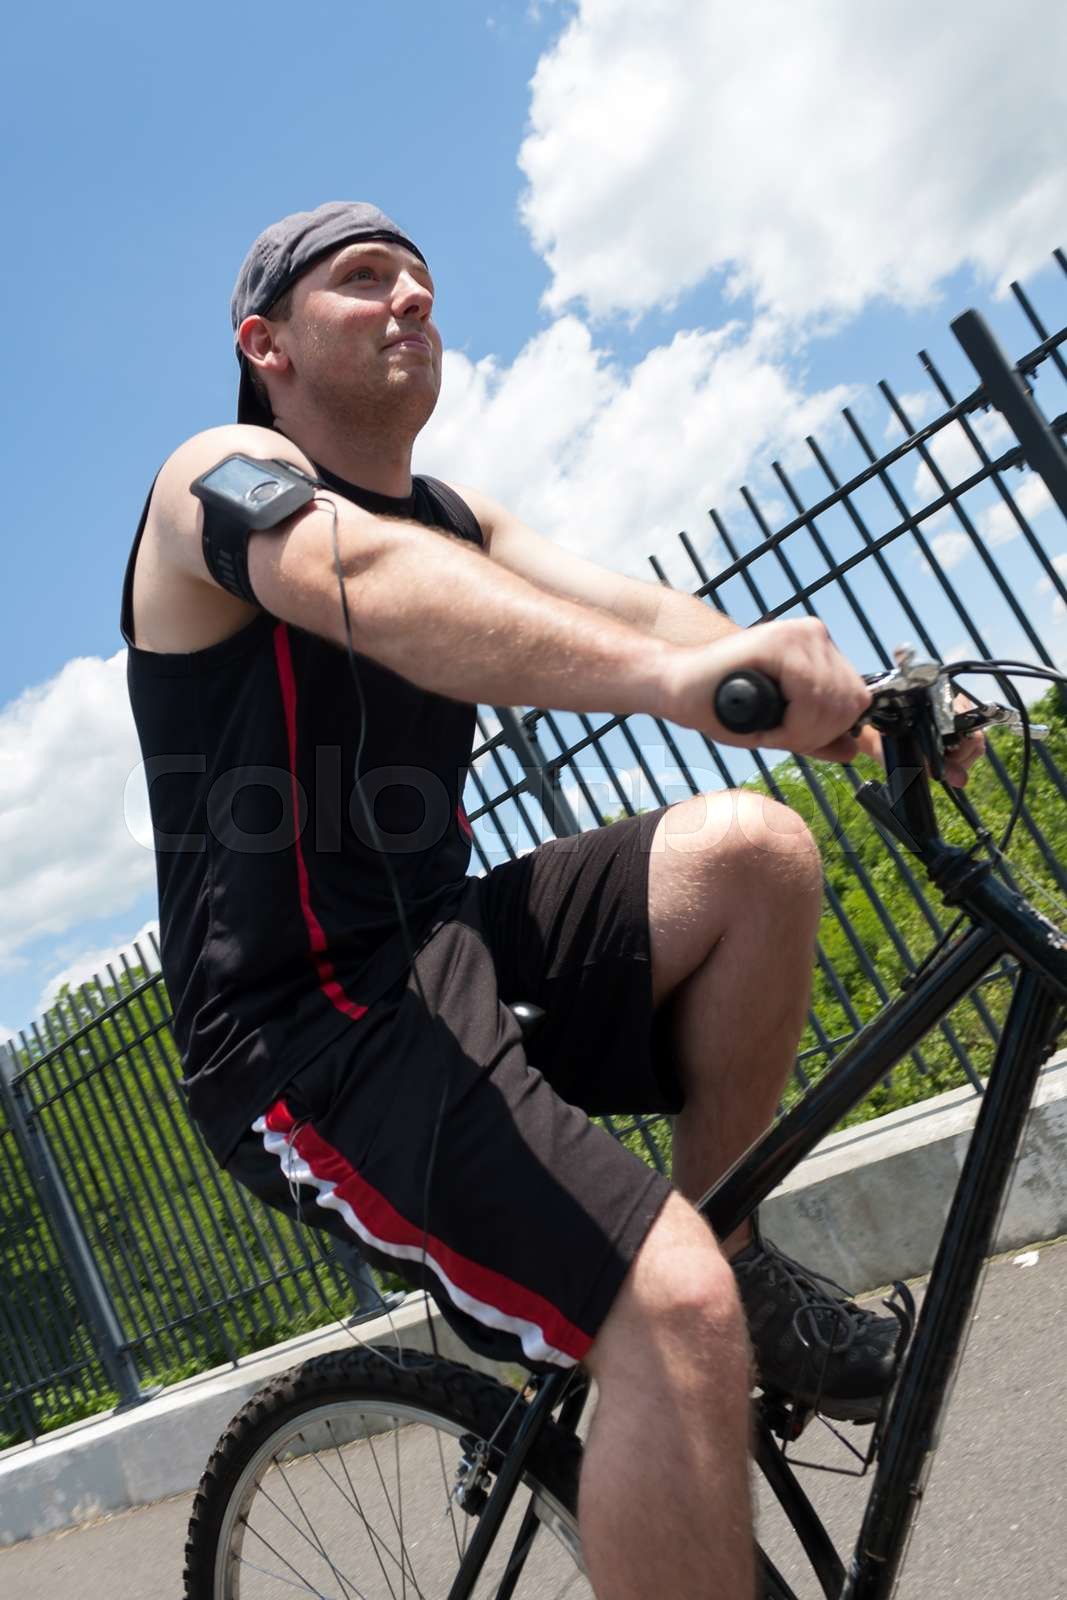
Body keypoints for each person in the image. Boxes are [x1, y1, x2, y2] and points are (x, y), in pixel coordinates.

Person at [121, 202, 983, 1599]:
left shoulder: (457, 514)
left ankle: (733, 1255)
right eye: (360, 279)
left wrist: (859, 723)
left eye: (419, 274)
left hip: (447, 939)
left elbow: (647, 618)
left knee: (754, 856)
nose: (408, 293)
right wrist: (670, 687)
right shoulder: (212, 473)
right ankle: (688, 1314)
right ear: (264, 342)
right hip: (303, 1037)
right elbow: (372, 583)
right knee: (667, 1311)